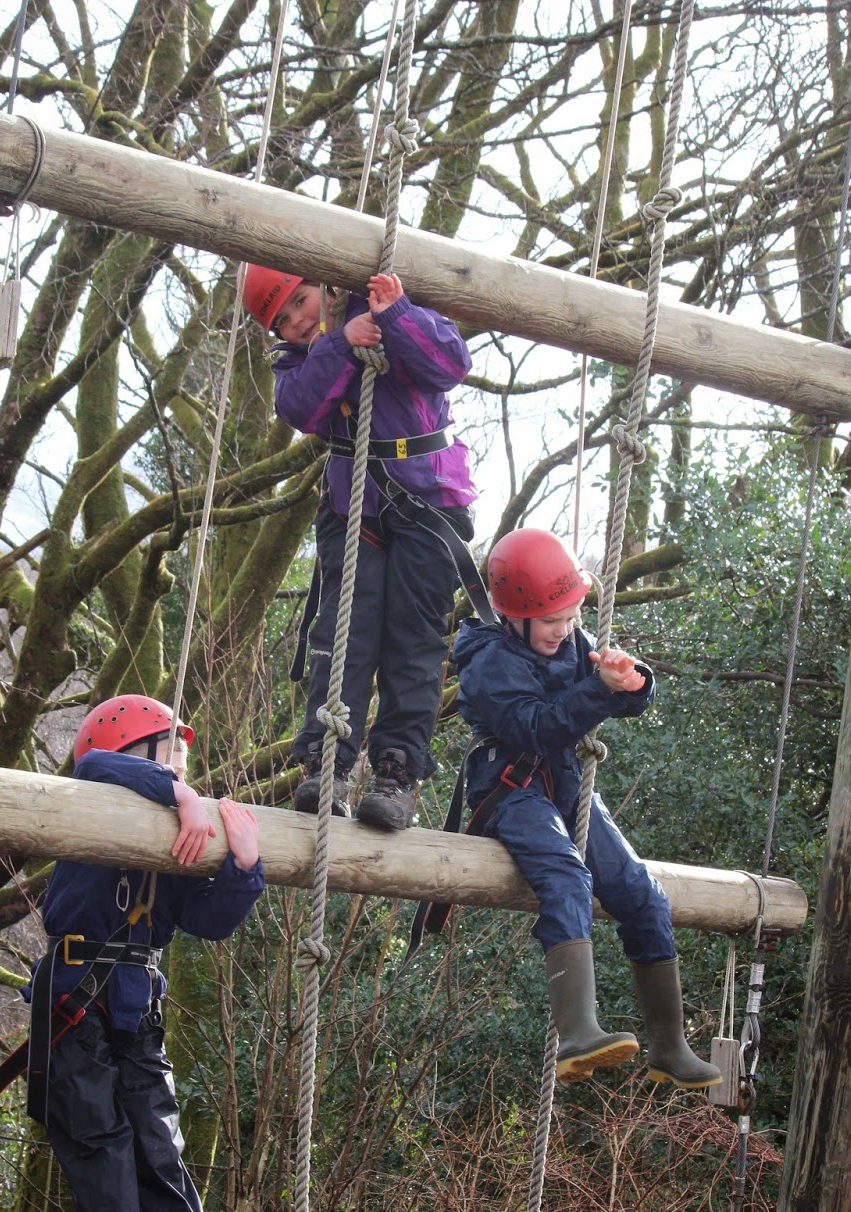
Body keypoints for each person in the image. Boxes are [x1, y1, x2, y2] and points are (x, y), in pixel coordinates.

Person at [23, 694, 266, 1212]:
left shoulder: (176, 830)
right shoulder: (96, 791)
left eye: (184, 769)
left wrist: (243, 868)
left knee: (160, 1147)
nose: (183, 776)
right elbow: (95, 763)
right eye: (171, 762)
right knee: (100, 1147)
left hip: (135, 994)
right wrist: (178, 795)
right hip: (77, 988)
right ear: (139, 755)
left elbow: (205, 920)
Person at [452, 527, 720, 1089]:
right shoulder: (488, 661)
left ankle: (669, 1045)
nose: (566, 630)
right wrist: (598, 690)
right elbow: (539, 726)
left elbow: (606, 696)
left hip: (566, 786)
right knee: (567, 878)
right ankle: (576, 1032)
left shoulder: (569, 641)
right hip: (512, 789)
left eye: (572, 617)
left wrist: (631, 681)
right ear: (516, 617)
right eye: (553, 621)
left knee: (641, 893)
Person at [243, 263, 479, 831]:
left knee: (413, 641)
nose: (299, 321)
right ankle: (328, 762)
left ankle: (396, 771)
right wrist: (342, 347)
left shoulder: (385, 311)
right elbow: (303, 410)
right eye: (284, 319)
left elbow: (450, 364)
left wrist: (394, 315)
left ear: (323, 285)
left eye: (301, 300)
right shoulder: (300, 364)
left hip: (427, 499)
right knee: (344, 631)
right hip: (355, 507)